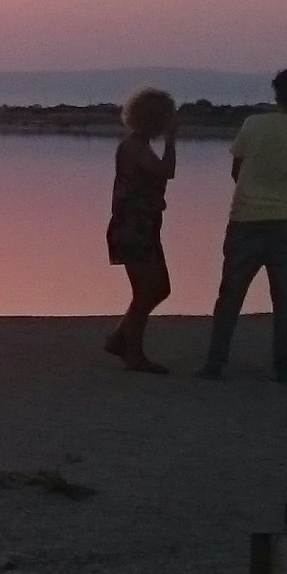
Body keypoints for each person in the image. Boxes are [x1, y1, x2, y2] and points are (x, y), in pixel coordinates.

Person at [202, 66, 287, 382]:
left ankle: (215, 360)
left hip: (244, 219)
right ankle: (283, 362)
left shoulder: (252, 125)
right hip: (285, 222)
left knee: (230, 294)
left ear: (276, 93)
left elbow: (236, 171)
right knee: (285, 296)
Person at [104, 87, 178, 372]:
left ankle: (120, 338)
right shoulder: (134, 146)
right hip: (133, 227)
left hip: (145, 225)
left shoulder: (139, 145)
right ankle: (132, 352)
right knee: (147, 290)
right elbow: (165, 172)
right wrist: (171, 141)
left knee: (158, 288)